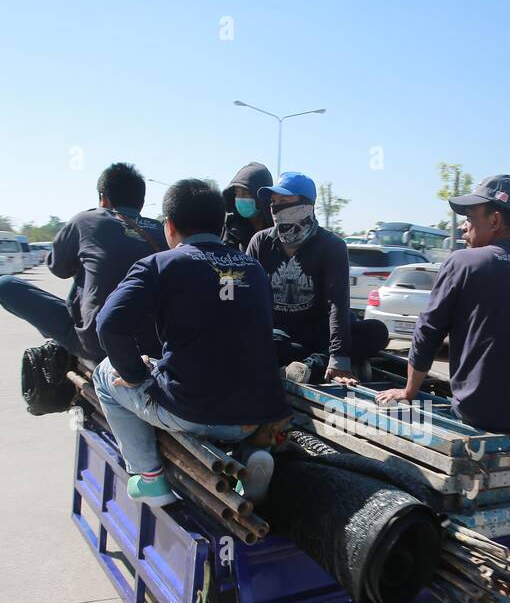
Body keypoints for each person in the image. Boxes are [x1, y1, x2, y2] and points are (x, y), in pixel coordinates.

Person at [92, 179, 289, 507]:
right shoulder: (253, 269)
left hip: (192, 411)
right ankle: (251, 453)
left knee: (103, 373)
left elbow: (109, 324)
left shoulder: (159, 265)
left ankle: (149, 478)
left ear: (169, 226)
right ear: (221, 223)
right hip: (252, 417)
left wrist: (134, 374)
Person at [375, 174, 510, 446]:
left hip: (479, 411)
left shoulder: (463, 263)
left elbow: (428, 331)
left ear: (494, 221)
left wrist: (409, 391)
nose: (464, 226)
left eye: (470, 217)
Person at [0, 162, 166, 362]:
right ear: (142, 202)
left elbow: (59, 269)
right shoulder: (161, 230)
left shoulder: (86, 220)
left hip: (98, 345)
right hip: (155, 343)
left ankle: (62, 339)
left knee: (3, 284)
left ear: (103, 198)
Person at [245, 172, 391, 383]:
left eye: (284, 201)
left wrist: (339, 358)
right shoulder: (260, 242)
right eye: (273, 202)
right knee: (257, 342)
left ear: (306, 205)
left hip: (321, 333)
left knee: (376, 331)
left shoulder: (331, 245)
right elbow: (249, 297)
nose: (275, 208)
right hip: (279, 334)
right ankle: (311, 366)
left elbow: (337, 304)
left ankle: (309, 367)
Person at [221, 162, 273, 251]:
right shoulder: (231, 228)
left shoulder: (279, 229)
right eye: (237, 193)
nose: (240, 198)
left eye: (246, 193)